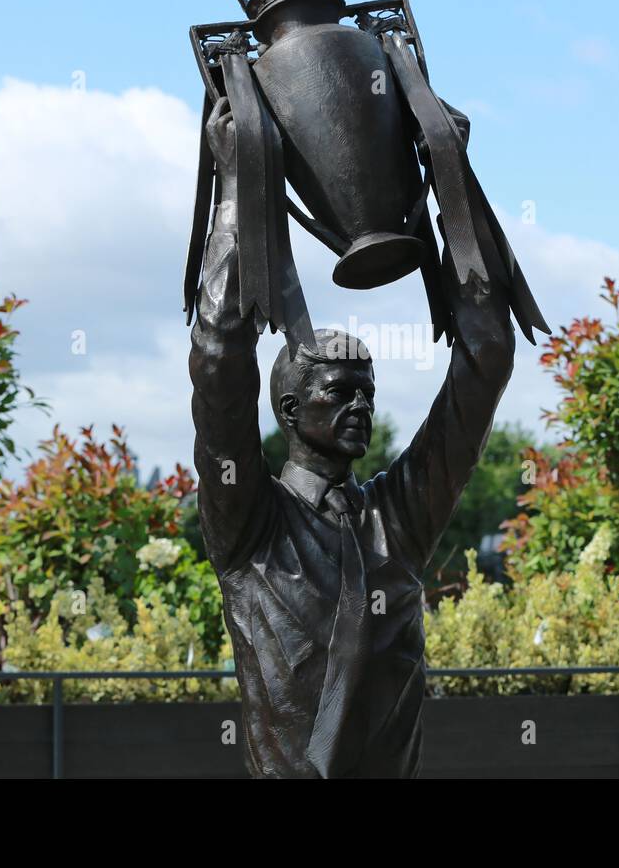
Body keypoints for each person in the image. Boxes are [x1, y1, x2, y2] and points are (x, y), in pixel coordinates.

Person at [189, 95, 515, 778]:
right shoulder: (249, 523)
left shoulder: (397, 519)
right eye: (339, 391)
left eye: (367, 391)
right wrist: (236, 191)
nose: (360, 404)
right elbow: (220, 357)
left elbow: (485, 355)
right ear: (287, 408)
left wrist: (450, 182)